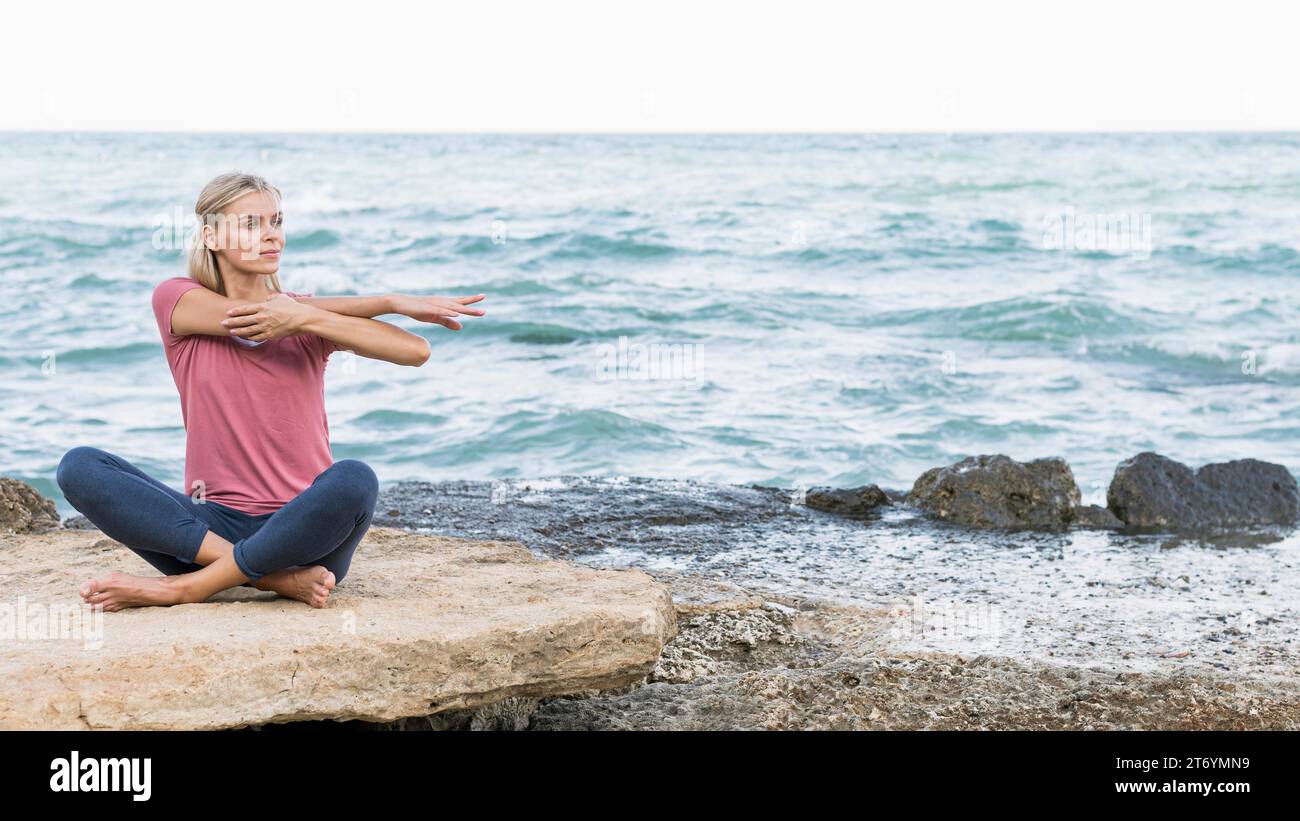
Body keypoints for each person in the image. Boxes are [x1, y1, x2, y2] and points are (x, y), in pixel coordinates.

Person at [56, 171, 486, 611]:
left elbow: (415, 351)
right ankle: (275, 580)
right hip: (208, 533)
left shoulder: (306, 321)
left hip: (303, 534)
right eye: (250, 224)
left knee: (355, 478)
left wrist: (307, 317)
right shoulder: (178, 300)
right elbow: (248, 315)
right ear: (211, 236)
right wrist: (386, 301)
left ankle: (187, 588)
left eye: (276, 222)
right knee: (80, 466)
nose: (271, 237)